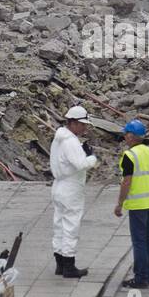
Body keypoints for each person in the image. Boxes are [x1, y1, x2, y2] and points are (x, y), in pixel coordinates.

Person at [50, 105, 97, 279]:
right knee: (71, 226)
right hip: (70, 188)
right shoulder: (70, 141)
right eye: (83, 124)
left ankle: (60, 263)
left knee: (59, 225)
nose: (85, 128)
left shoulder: (59, 138)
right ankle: (69, 265)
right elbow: (81, 164)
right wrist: (91, 157)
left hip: (59, 186)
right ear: (73, 123)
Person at [113, 120, 149, 289]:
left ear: (132, 136)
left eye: (126, 134)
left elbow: (126, 181)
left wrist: (120, 203)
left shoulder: (130, 155)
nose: (125, 137)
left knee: (140, 241)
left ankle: (141, 278)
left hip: (139, 205)